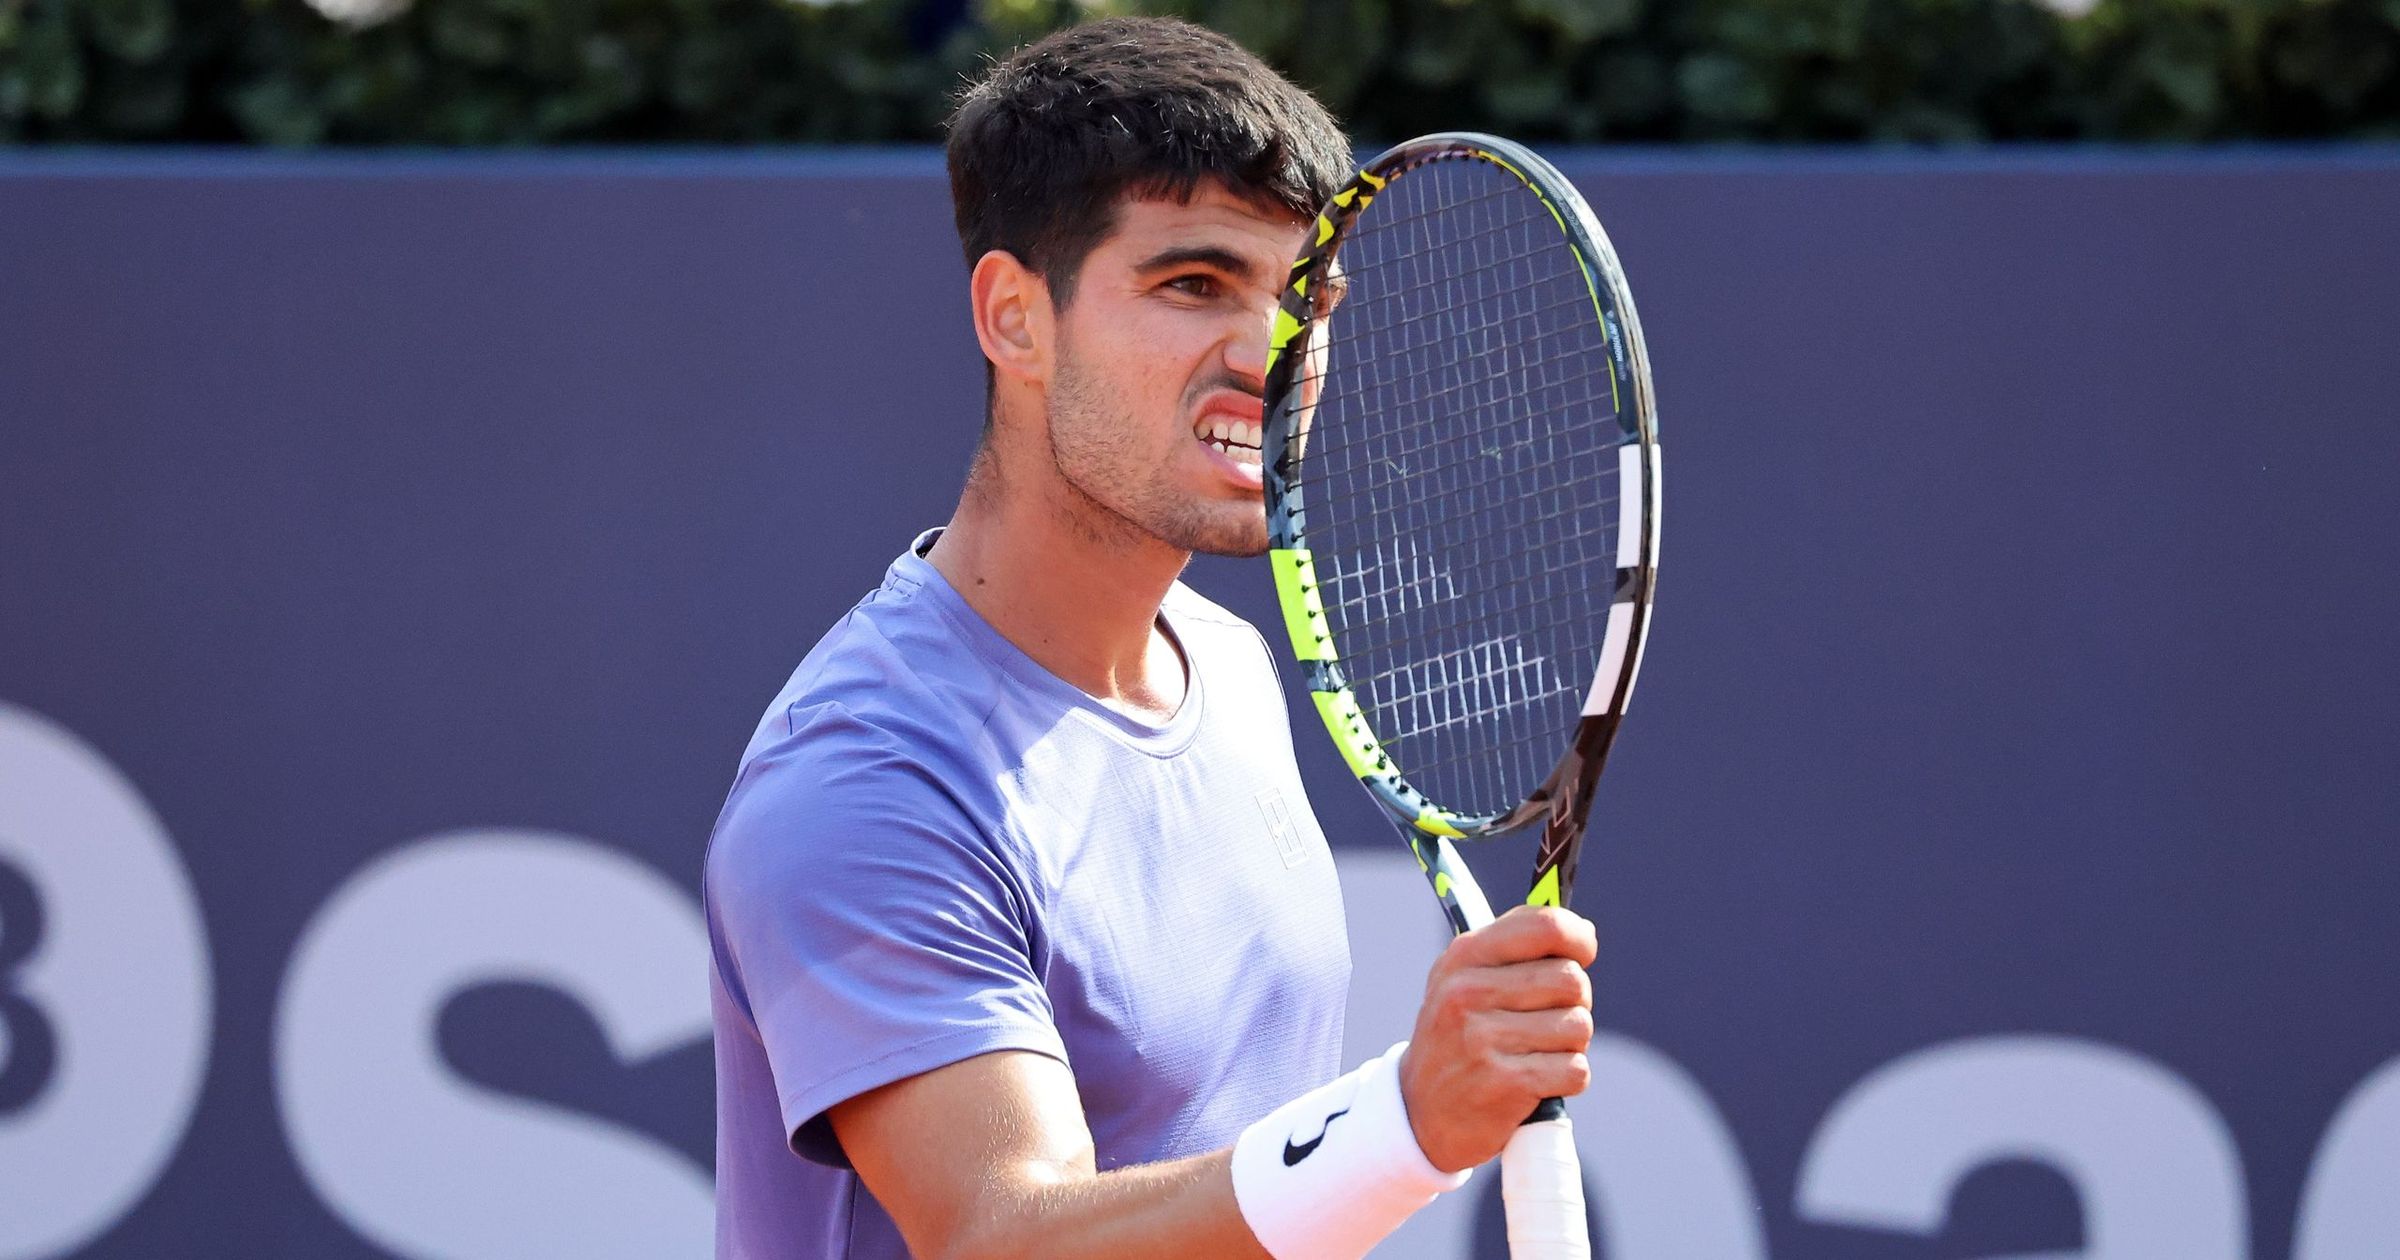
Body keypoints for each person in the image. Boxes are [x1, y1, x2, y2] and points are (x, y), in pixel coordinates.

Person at [704, 17, 1598, 1259]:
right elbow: (999, 1237)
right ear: (1016, 317)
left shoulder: (1226, 666)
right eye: (1194, 286)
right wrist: (1403, 1125)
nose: (1270, 351)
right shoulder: (863, 784)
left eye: (1305, 299)